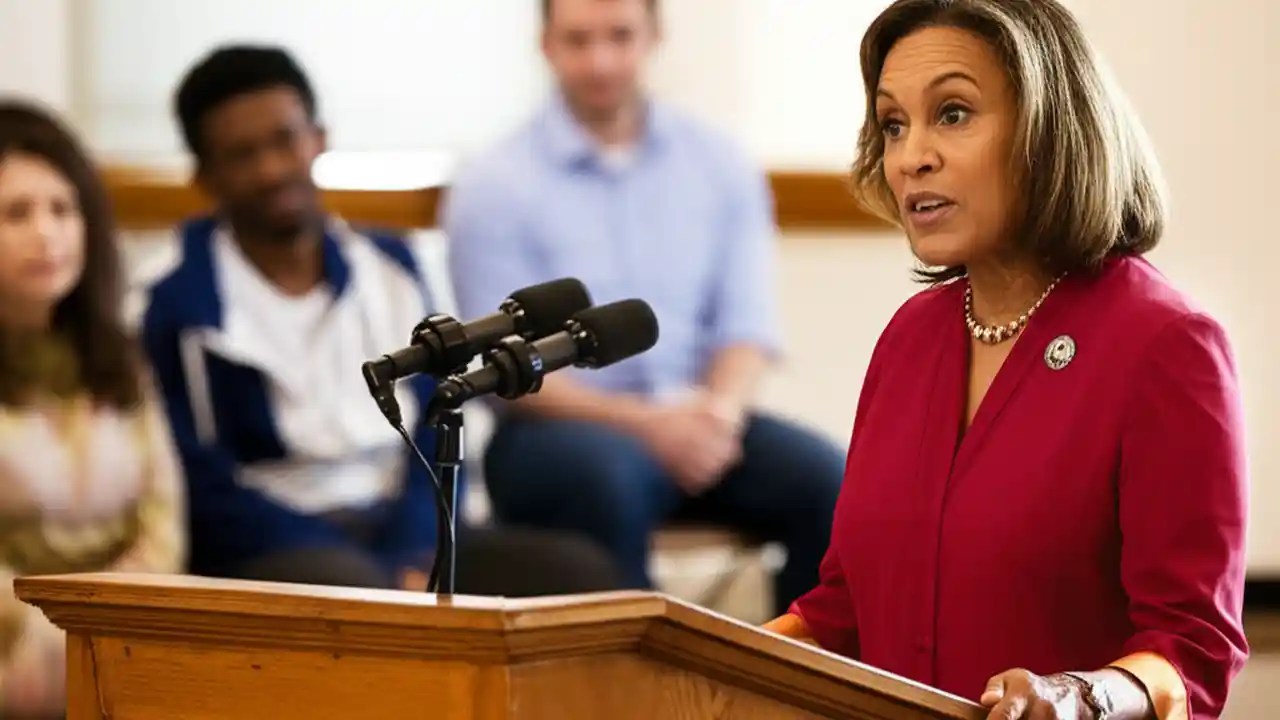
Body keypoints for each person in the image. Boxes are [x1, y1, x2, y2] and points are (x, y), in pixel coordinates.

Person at [764, 1, 1249, 718]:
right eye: (894, 124)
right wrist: (680, 658)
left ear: (1050, 130)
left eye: (953, 113)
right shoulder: (910, 337)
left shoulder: (1167, 345)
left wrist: (1080, 696)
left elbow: (1191, 648)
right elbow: (845, 607)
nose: (910, 156)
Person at [143, 45, 622, 597]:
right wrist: (372, 572)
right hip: (276, 548)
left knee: (578, 574)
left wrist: (413, 551)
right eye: (243, 153)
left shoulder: (393, 267)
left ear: (318, 138)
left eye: (284, 140)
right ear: (205, 175)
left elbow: (439, 414)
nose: (272, 169)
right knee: (347, 589)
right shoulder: (174, 300)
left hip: (401, 529)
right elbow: (195, 482)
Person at [445, 0, 844, 615]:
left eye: (619, 36)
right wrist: (650, 426)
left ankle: (792, 684)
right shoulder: (492, 184)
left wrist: (718, 416)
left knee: (834, 485)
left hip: (700, 416)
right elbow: (507, 373)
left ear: (654, 36)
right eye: (578, 40)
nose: (601, 60)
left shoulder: (719, 163)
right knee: (608, 479)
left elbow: (745, 326)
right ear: (546, 45)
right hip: (557, 432)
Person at [0, 102, 185, 717]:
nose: (47, 233)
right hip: (14, 645)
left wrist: (108, 622)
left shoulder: (118, 354)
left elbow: (162, 520)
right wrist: (47, 632)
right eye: (16, 214)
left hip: (125, 630)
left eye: (63, 208)